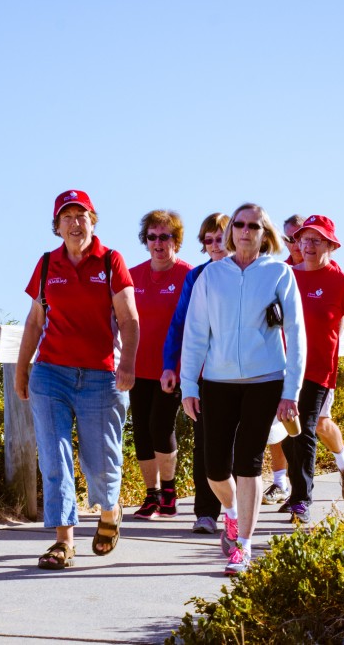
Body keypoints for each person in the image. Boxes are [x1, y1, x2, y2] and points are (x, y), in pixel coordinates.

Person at [14, 189, 140, 569]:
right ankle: (63, 540)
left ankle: (109, 511)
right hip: (51, 373)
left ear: (92, 220)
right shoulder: (47, 265)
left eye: (81, 215)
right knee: (54, 457)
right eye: (66, 217)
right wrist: (23, 370)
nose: (74, 223)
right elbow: (36, 321)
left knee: (99, 461)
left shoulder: (110, 261)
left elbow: (130, 319)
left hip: (102, 375)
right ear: (57, 226)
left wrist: (128, 363)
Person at [180, 203, 305, 575]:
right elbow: (195, 333)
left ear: (263, 233)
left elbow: (297, 336)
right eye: (239, 225)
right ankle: (232, 515)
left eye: (253, 225)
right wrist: (189, 384)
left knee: (248, 461)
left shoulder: (279, 274)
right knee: (214, 468)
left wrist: (291, 390)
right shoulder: (211, 276)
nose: (245, 231)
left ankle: (243, 546)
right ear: (231, 229)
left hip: (265, 380)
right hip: (216, 382)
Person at [282, 214, 344, 524]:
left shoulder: (341, 282)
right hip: (283, 369)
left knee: (306, 429)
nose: (307, 245)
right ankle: (298, 489)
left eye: (316, 240)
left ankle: (301, 500)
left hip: (319, 371)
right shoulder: (286, 276)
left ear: (331, 245)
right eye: (303, 239)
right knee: (287, 431)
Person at [160, 212, 229, 534]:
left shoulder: (251, 274)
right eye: (209, 240)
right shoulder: (197, 276)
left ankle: (237, 511)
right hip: (205, 376)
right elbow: (180, 325)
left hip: (246, 377)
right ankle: (205, 513)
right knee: (205, 445)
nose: (215, 245)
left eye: (220, 238)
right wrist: (171, 366)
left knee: (240, 447)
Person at [129, 211, 193, 520]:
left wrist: (183, 368)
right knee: (141, 430)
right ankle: (151, 494)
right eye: (152, 237)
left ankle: (169, 489)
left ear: (176, 241)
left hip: (173, 368)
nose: (158, 243)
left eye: (164, 237)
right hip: (137, 367)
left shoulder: (189, 275)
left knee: (160, 425)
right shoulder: (131, 275)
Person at [260, 214, 307, 505]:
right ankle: (282, 483)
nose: (296, 244)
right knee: (277, 426)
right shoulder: (278, 270)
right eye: (289, 239)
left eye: (301, 237)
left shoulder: (329, 268)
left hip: (309, 362)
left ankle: (343, 462)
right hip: (278, 358)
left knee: (314, 428)